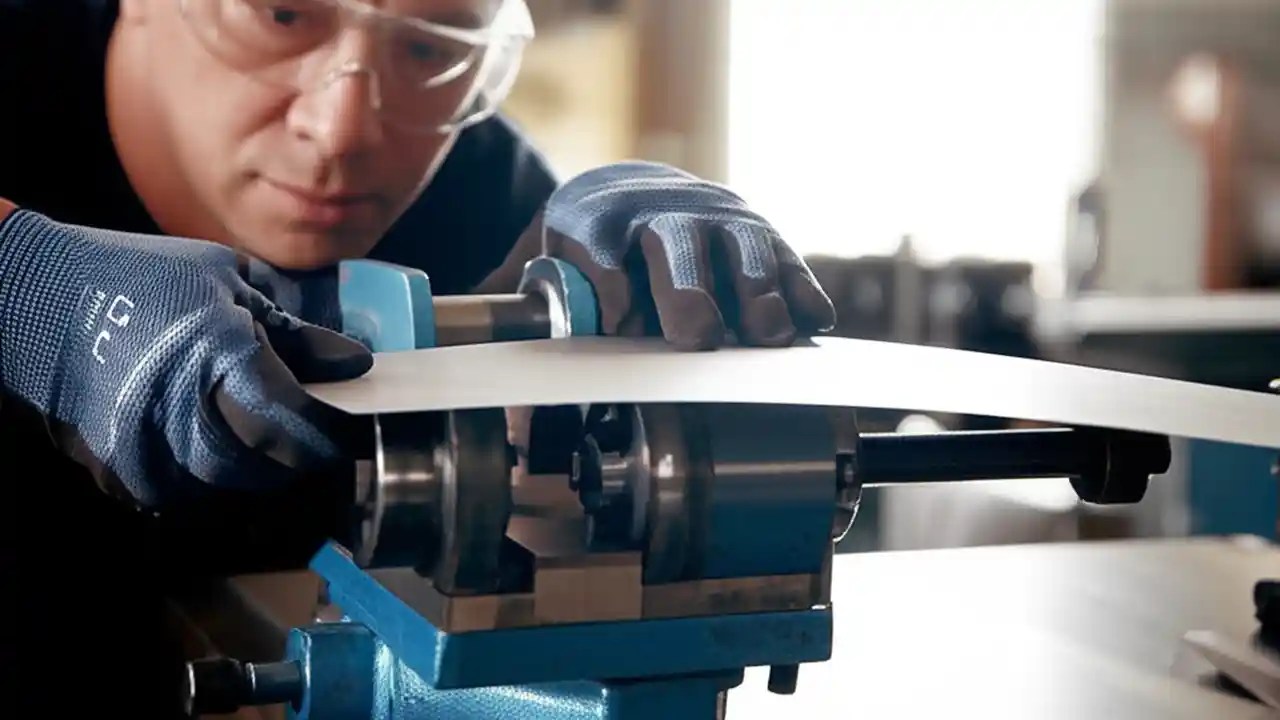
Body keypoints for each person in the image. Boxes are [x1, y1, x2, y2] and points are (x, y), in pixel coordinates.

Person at [0, 0, 837, 715]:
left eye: (432, 44)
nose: (343, 130)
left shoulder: (486, 194)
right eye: (282, 13)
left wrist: (624, 365)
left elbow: (549, 534)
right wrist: (27, 285)